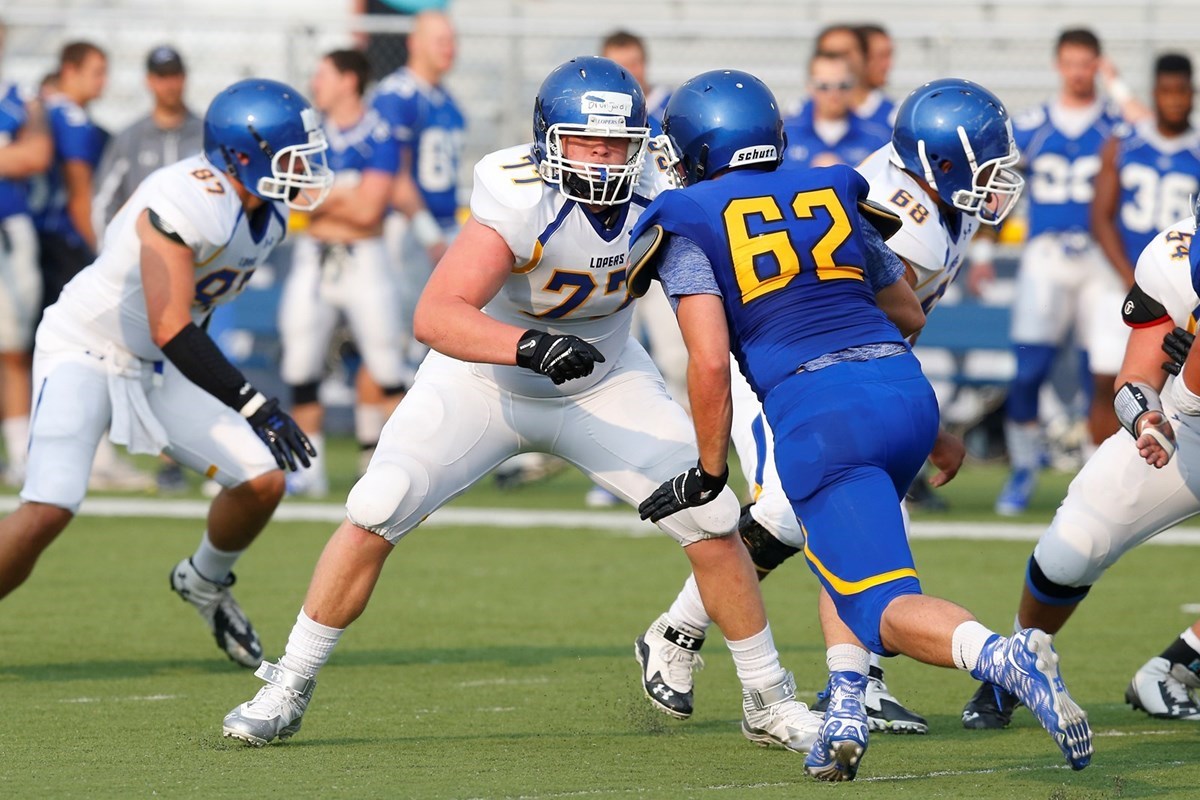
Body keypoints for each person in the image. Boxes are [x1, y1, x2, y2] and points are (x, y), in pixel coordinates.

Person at [222, 56, 820, 754]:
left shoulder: (664, 192)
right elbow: (437, 314)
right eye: (584, 143)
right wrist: (528, 346)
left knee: (713, 519)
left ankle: (768, 700)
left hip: (604, 377)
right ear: (547, 140)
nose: (601, 160)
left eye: (616, 145)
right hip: (483, 379)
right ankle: (287, 684)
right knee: (378, 504)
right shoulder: (518, 192)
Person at [630, 67, 1091, 781]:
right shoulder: (840, 187)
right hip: (887, 388)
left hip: (818, 396)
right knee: (823, 531)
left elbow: (710, 359)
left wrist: (709, 470)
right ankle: (802, 675)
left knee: (863, 570)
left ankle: (943, 667)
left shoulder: (690, 217)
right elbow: (898, 310)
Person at [0, 78, 333, 669]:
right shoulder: (183, 198)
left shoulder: (269, 218)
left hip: (160, 362)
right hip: (87, 345)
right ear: (243, 155)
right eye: (293, 156)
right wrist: (254, 404)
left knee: (262, 482)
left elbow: (186, 328)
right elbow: (170, 325)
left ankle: (204, 580)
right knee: (50, 504)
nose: (306, 169)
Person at [962, 204, 1200, 727]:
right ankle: (1016, 666)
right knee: (1073, 547)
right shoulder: (1172, 260)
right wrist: (1147, 419)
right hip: (1189, 428)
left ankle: (1177, 667)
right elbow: (1132, 382)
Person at [989, 29, 1128, 516]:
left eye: (1087, 63)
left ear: (1098, 65)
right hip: (1045, 257)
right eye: (1070, 62)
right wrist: (984, 253)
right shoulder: (1033, 124)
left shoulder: (1116, 124)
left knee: (1105, 373)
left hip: (1100, 259)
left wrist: (1121, 90)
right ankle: (1024, 467)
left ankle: (1098, 474)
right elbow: (994, 186)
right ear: (1058, 64)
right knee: (1028, 370)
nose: (1077, 72)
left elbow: (1153, 133)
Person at [278, 49, 404, 498]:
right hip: (315, 255)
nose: (316, 83)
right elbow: (292, 199)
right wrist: (344, 191)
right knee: (300, 362)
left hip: (364, 256)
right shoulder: (308, 134)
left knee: (386, 364)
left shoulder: (379, 131)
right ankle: (307, 469)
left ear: (349, 80)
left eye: (324, 74)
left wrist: (320, 192)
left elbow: (370, 210)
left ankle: (398, 465)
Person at [1088, 53, 1200, 451]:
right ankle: (1098, 457)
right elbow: (1100, 216)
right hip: (1127, 275)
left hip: (1186, 281)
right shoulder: (1124, 144)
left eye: (1181, 91)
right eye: (1166, 92)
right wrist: (1125, 272)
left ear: (1192, 93)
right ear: (1154, 93)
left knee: (1177, 372)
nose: (1174, 100)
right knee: (1107, 377)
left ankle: (1166, 446)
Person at [369, 9, 464, 463]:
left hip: (439, 227)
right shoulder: (398, 96)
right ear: (415, 42)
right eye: (439, 39)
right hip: (410, 228)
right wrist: (429, 230)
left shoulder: (445, 99)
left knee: (426, 341)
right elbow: (395, 175)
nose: (449, 47)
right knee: (400, 338)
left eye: (452, 39)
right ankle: (392, 450)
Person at [0, 21, 53, 487]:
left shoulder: (17, 98)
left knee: (13, 347)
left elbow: (36, 155)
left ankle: (20, 453)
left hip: (10, 229)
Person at [92, 45, 203, 233]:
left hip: (200, 250)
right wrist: (111, 252)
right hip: (142, 251)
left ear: (184, 78)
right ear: (149, 81)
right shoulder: (129, 138)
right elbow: (104, 201)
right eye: (161, 77)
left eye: (174, 75)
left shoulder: (206, 135)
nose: (169, 85)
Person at [33, 41, 108, 313]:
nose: (104, 81)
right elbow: (79, 194)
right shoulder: (73, 120)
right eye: (97, 72)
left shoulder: (40, 109)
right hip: (62, 238)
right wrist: (98, 247)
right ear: (70, 71)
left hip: (36, 229)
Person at [783, 51, 890, 169]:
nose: (834, 94)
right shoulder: (784, 135)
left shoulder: (877, 139)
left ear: (854, 85)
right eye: (823, 86)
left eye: (843, 86)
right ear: (809, 87)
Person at [853, 24, 896, 128]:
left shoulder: (896, 117)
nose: (888, 64)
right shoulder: (810, 114)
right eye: (881, 56)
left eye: (889, 56)